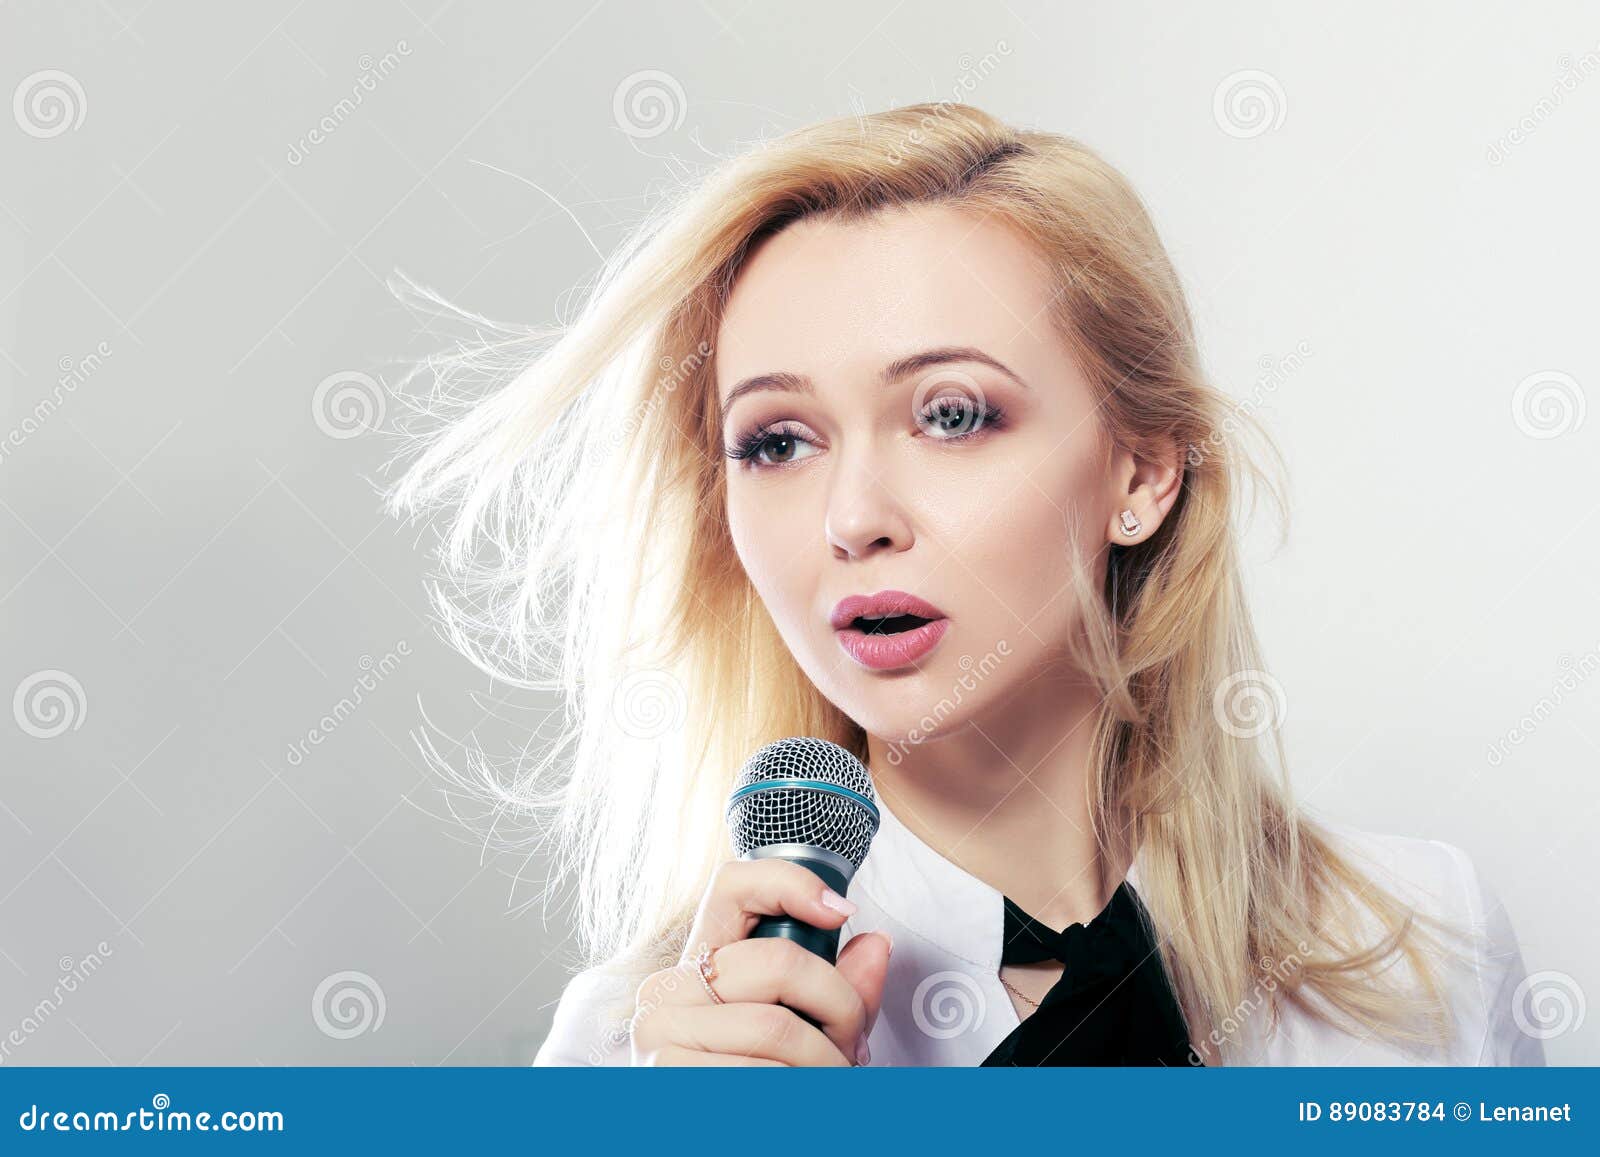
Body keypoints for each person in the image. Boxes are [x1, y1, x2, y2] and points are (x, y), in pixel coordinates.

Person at [387, 102, 1544, 1067]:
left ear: (1137, 471)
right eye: (777, 442)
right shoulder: (636, 1050)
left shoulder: (1421, 946)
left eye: (950, 415)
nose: (852, 519)